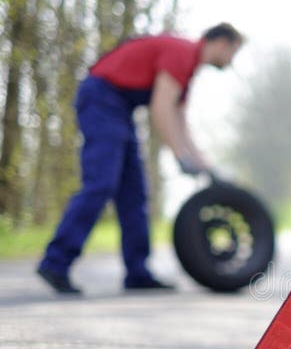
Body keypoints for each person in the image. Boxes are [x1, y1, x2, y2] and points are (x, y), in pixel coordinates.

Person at [37, 23, 243, 294]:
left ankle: (137, 272)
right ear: (222, 44)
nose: (231, 60)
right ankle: (56, 262)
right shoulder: (181, 52)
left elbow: (180, 121)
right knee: (101, 183)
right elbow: (161, 108)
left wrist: (206, 166)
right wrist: (181, 156)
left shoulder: (188, 64)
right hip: (102, 97)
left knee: (134, 193)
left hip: (119, 108)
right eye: (233, 53)